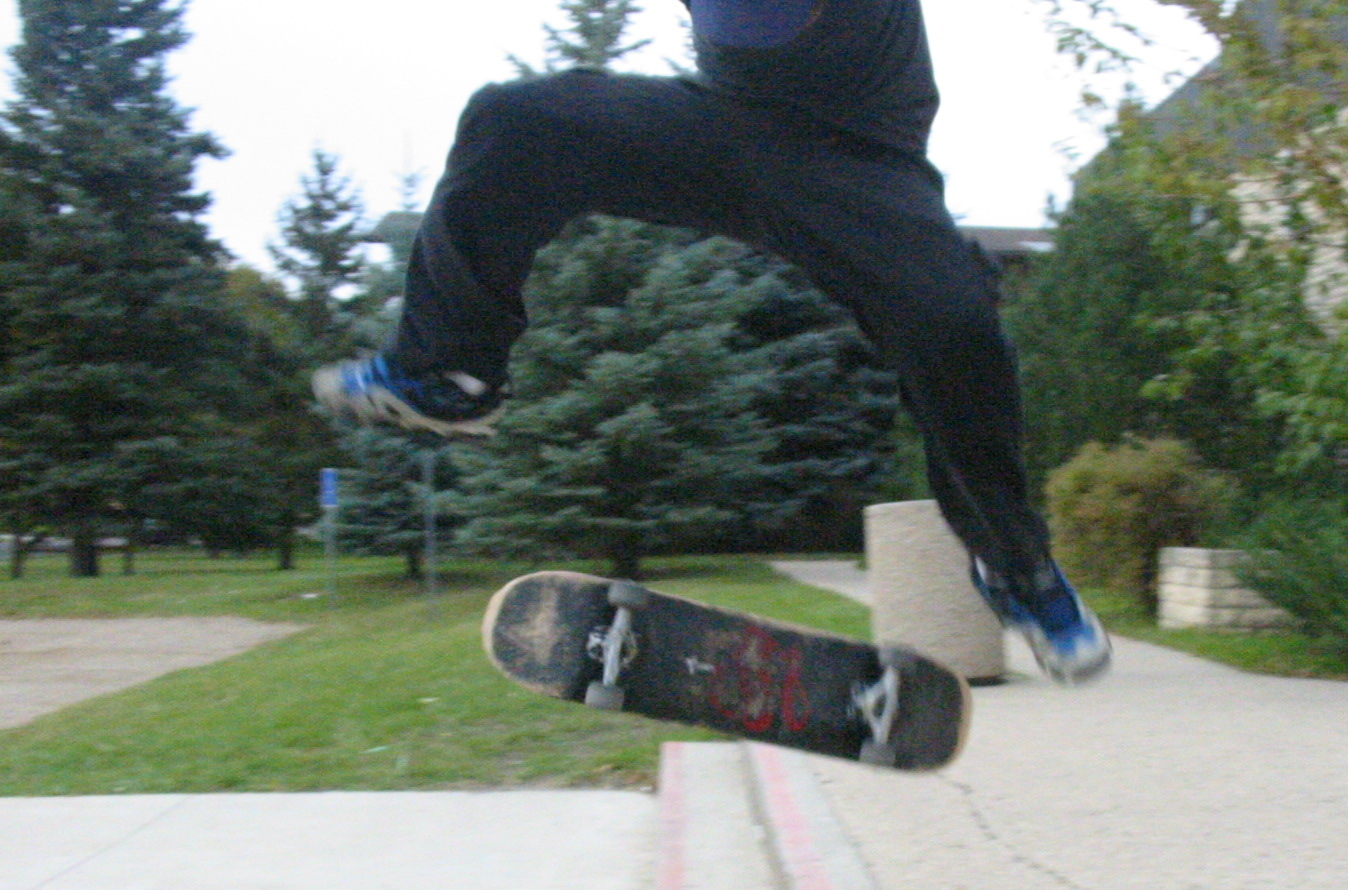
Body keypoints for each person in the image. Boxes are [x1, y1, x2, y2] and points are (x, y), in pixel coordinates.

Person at [313, 0, 1111, 683]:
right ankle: (449, 371)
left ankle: (1016, 565)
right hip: (722, 133)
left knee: (955, 326)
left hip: (863, 165)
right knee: (516, 123)